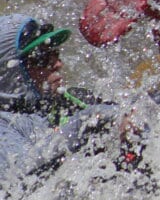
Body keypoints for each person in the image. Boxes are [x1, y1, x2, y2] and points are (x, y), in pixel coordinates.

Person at [0, 14, 125, 186]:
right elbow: (19, 177)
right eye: (42, 57)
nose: (58, 64)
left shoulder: (74, 101)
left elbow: (134, 114)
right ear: (11, 73)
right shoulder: (4, 126)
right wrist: (91, 120)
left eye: (54, 53)